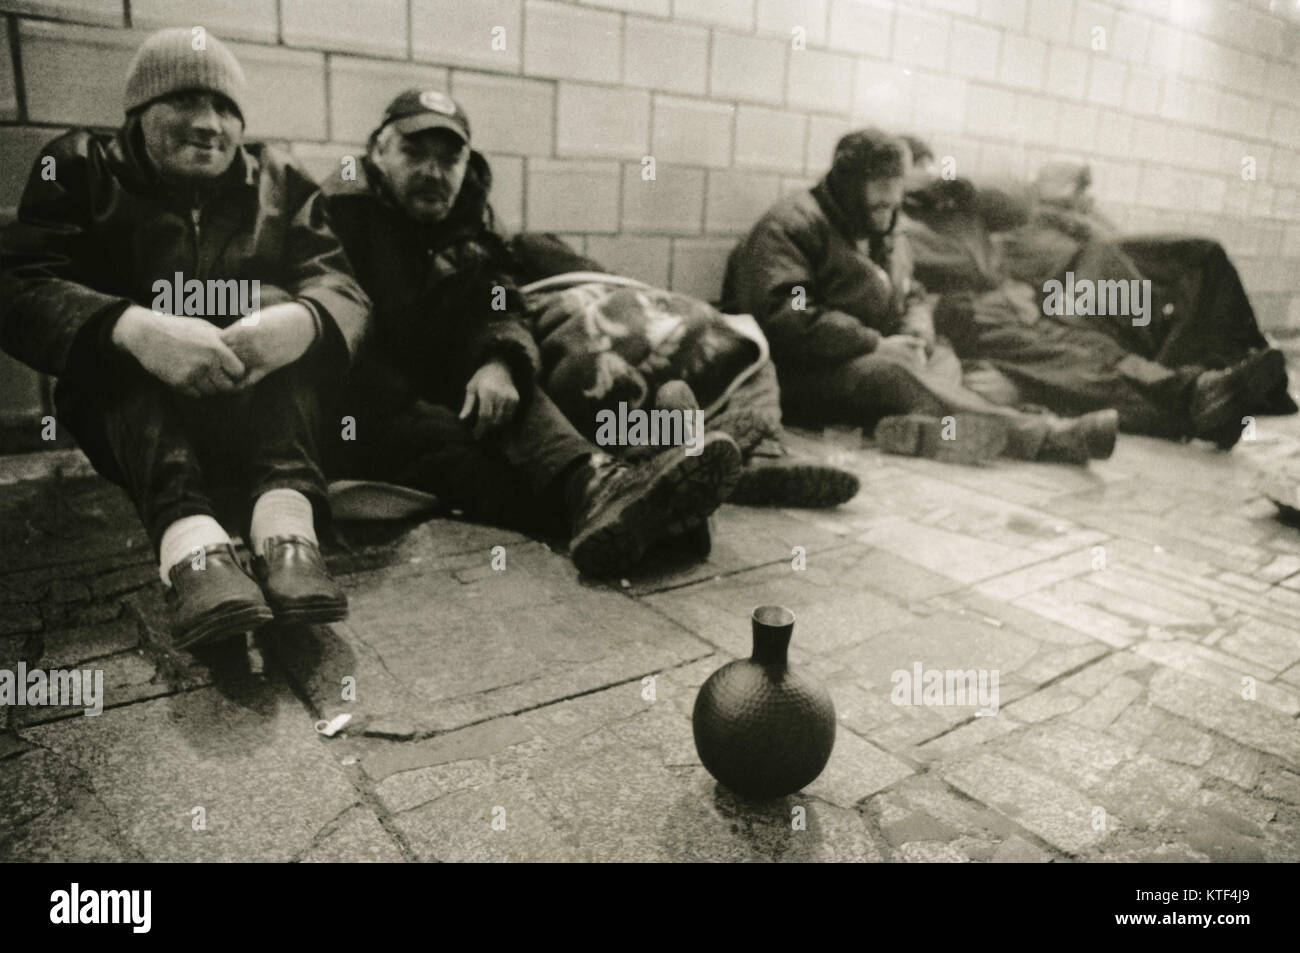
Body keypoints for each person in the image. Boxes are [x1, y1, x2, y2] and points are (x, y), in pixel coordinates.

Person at [0, 29, 371, 649]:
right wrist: (136, 329)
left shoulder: (279, 178)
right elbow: (18, 280)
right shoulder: (78, 166)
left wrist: (301, 323)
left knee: (289, 313)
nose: (208, 124)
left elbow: (340, 286)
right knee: (107, 342)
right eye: (184, 102)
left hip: (251, 409)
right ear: (138, 113)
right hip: (137, 422)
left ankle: (287, 531)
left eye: (225, 107)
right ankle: (192, 548)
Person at [320, 89, 740, 577]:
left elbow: (498, 298)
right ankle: (654, 500)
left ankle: (625, 481)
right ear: (377, 152)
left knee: (516, 393)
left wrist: (498, 361)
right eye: (414, 153)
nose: (434, 172)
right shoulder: (339, 215)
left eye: (450, 158)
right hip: (366, 405)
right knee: (479, 463)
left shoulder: (467, 219)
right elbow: (346, 343)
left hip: (442, 385)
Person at [721, 128, 1118, 465]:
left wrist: (918, 327)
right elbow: (789, 316)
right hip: (799, 374)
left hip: (876, 352)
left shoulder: (883, 226)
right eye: (877, 206)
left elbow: (911, 292)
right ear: (846, 191)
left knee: (940, 354)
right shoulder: (789, 227)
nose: (886, 217)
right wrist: (877, 344)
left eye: (893, 206)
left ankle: (925, 430)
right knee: (894, 374)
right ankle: (1047, 436)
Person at [899, 136, 1292, 447]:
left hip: (1015, 306)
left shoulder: (961, 210)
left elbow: (1012, 206)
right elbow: (923, 287)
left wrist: (946, 187)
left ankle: (1201, 396)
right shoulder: (901, 231)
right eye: (917, 171)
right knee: (1084, 368)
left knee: (1097, 357)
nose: (929, 178)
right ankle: (1196, 400)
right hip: (977, 316)